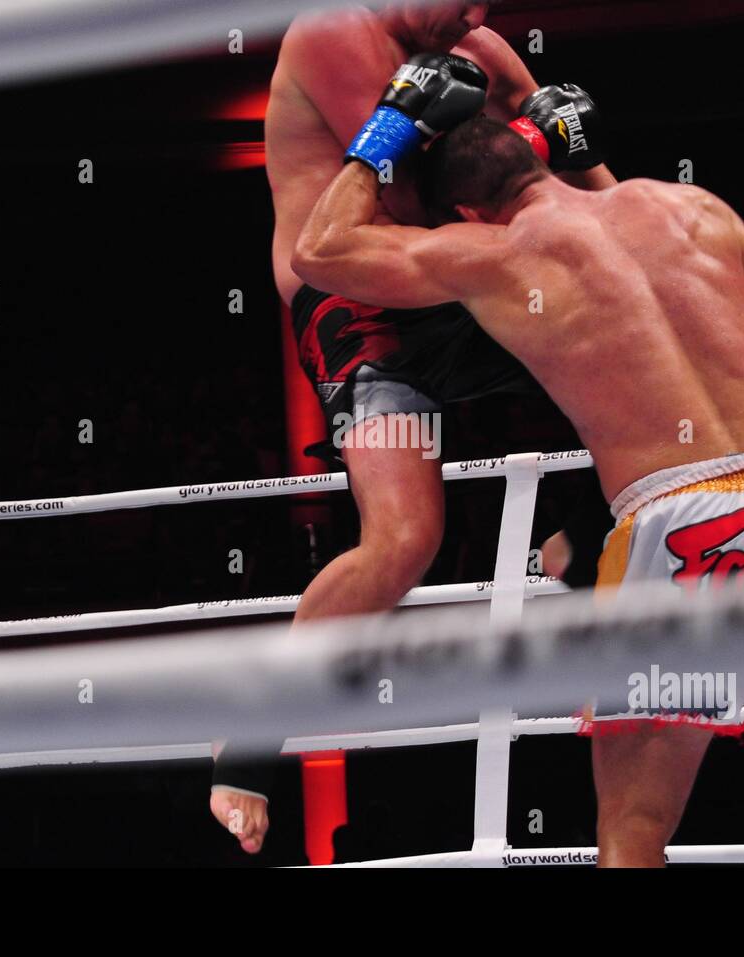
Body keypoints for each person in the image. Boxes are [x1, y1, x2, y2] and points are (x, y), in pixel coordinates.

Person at [291, 107, 744, 867]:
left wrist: (391, 124)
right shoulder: (697, 207)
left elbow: (319, 252)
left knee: (634, 829)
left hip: (677, 523)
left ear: (470, 210)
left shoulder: (494, 253)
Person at [212, 1, 615, 854]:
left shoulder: (478, 48)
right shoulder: (330, 33)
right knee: (402, 539)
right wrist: (533, 154)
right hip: (360, 306)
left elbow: (601, 209)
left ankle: (580, 542)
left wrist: (579, 154)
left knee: (632, 338)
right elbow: (404, 195)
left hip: (460, 287)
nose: (475, 14)